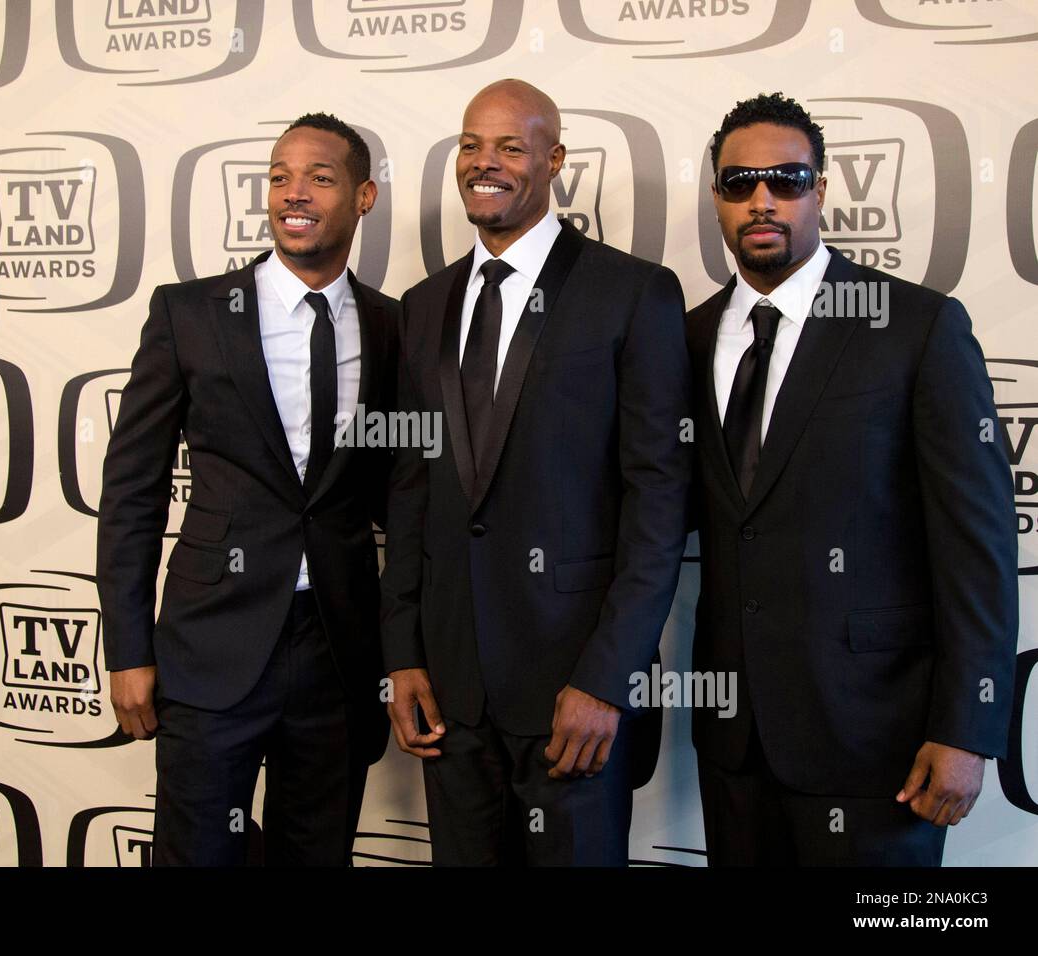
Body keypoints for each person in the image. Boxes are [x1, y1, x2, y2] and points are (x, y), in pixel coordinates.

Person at [687, 92, 1017, 865]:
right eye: (739, 184)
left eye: (787, 179)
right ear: (717, 200)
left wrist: (966, 728)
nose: (761, 200)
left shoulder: (915, 327)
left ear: (822, 189)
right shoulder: (688, 333)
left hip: (881, 742)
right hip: (735, 744)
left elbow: (978, 546)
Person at [379, 79, 692, 866]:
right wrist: (404, 654)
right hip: (451, 694)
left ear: (554, 160)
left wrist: (607, 678)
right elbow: (413, 490)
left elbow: (656, 502)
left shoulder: (632, 293)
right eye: (471, 145)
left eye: (510, 147)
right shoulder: (423, 304)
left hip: (573, 694)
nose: (486, 163)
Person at [96, 112, 396, 866]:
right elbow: (133, 490)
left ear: (363, 198)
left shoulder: (395, 328)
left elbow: (410, 496)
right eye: (279, 176)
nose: (293, 194)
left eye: (320, 178)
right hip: (210, 646)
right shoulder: (188, 314)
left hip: (338, 651)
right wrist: (128, 648)